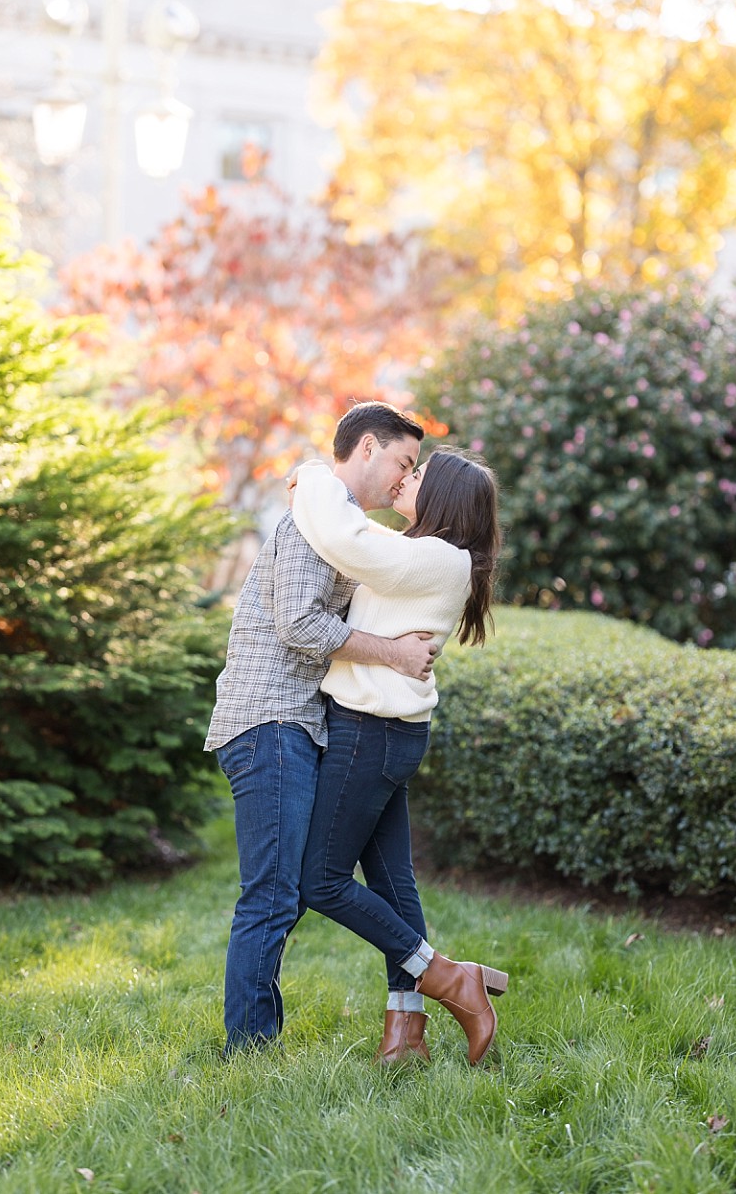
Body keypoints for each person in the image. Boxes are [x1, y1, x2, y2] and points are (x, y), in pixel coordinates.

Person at [205, 401, 439, 1054]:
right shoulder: (311, 524)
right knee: (275, 891)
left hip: (296, 722)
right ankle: (249, 1046)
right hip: (269, 717)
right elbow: (301, 625)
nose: (403, 477)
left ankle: (257, 1034)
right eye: (402, 461)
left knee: (286, 890)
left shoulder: (335, 522)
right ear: (366, 448)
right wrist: (394, 653)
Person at [289, 448, 508, 1066]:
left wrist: (312, 474)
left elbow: (347, 541)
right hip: (386, 733)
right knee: (391, 883)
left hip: (370, 732)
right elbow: (362, 545)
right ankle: (406, 1032)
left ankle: (447, 977)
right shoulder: (428, 557)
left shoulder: (437, 558)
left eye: (417, 475)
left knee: (322, 881)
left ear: (441, 499)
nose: (404, 480)